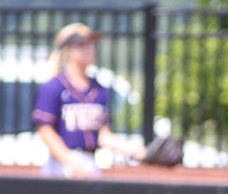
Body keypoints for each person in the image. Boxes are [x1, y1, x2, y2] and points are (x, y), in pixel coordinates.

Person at [31, 23, 144, 178]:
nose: (90, 49)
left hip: (89, 161)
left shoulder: (98, 89)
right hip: (61, 166)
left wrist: (137, 151)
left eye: (91, 44)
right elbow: (45, 130)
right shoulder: (54, 87)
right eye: (82, 45)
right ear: (68, 50)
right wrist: (69, 160)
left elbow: (103, 134)